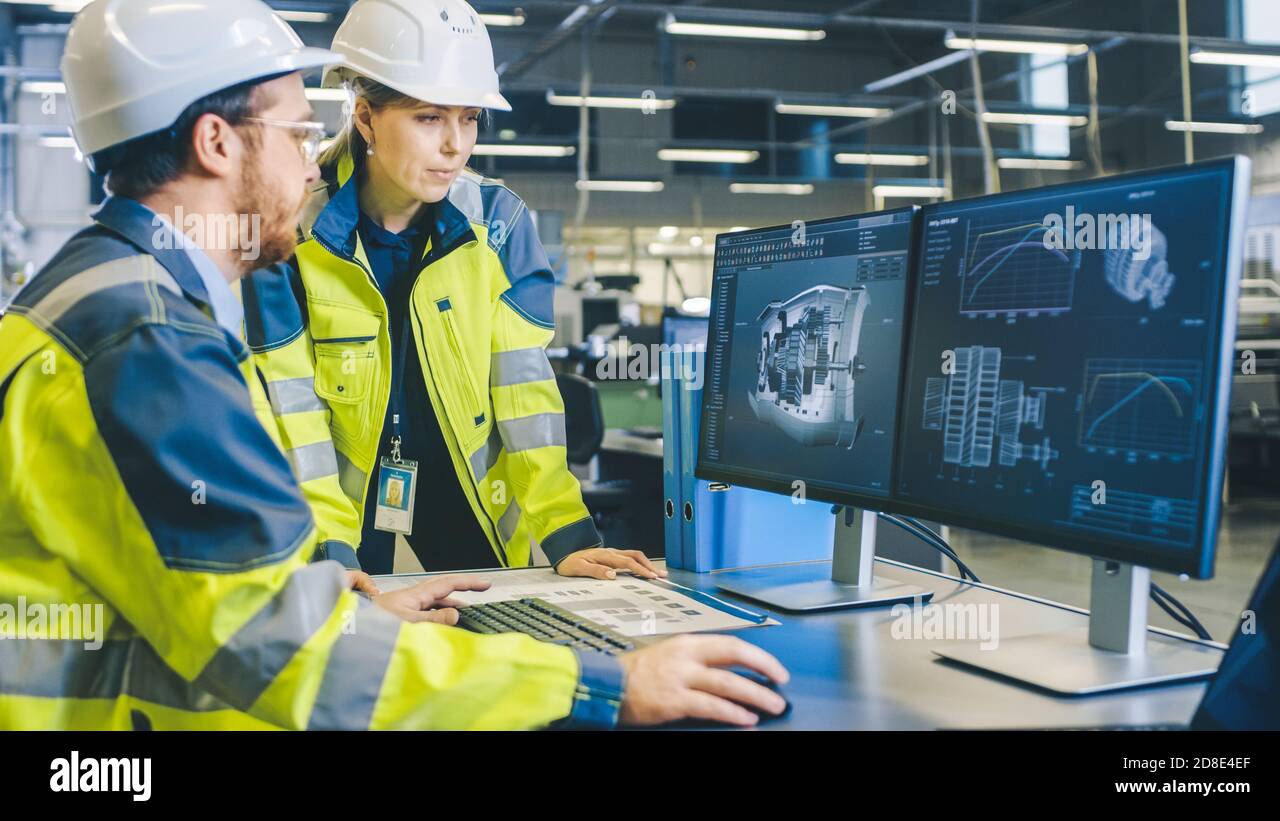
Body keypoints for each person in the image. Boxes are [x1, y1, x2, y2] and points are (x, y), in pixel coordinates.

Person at [0, 0, 787, 731]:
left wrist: (344, 604)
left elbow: (229, 605)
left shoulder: (102, 295)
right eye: (299, 136)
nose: (313, 167)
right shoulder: (146, 342)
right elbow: (288, 650)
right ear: (215, 142)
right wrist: (598, 686)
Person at [243, 0, 658, 580]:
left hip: (474, 503)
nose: (455, 145)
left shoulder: (500, 224)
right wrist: (328, 554)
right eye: (429, 118)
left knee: (495, 649)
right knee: (360, 653)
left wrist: (566, 532)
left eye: (468, 118)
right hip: (341, 507)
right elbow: (293, 411)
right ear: (365, 118)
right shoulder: (289, 235)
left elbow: (524, 393)